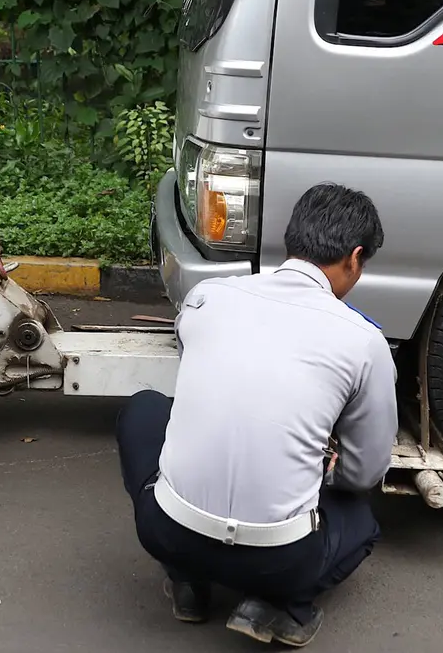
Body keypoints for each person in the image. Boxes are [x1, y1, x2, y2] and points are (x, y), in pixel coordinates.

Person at [116, 182, 398, 647]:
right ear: (354, 257)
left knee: (144, 409)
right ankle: (281, 605)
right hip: (279, 560)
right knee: (362, 521)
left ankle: (188, 580)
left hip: (166, 532)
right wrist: (325, 474)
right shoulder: (363, 341)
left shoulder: (208, 297)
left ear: (292, 240)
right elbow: (366, 470)